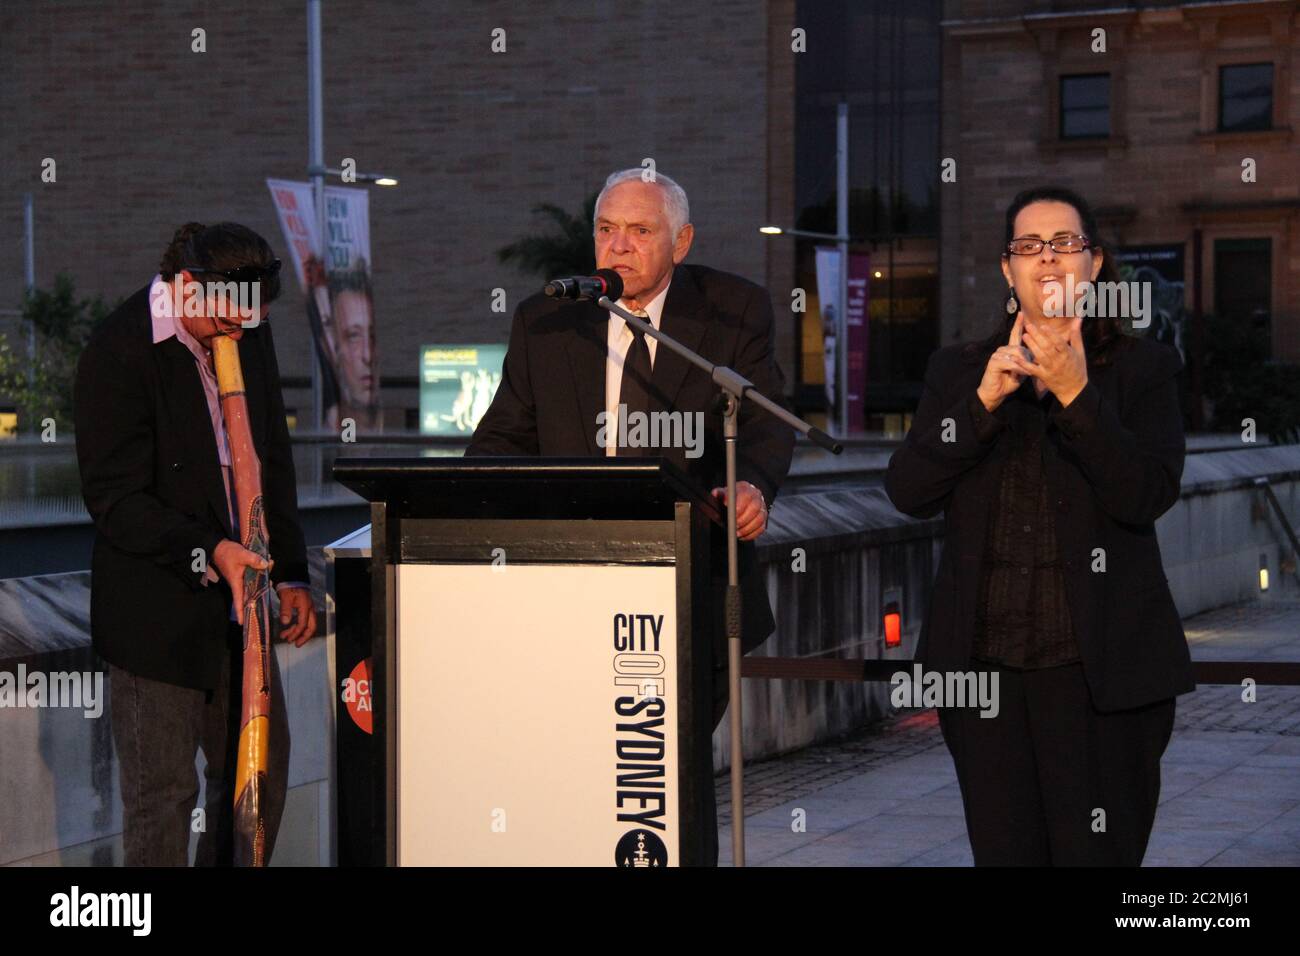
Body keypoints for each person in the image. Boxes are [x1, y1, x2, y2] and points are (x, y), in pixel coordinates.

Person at [467, 168, 796, 864]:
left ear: (681, 240)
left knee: (665, 773)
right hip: (571, 590)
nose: (618, 247)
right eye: (606, 229)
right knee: (578, 771)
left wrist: (753, 487)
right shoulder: (547, 319)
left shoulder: (731, 311)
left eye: (639, 232)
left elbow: (765, 425)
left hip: (691, 587)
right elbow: (500, 440)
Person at [885, 185, 1195, 866]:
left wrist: (1076, 394)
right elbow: (908, 490)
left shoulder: (1143, 369)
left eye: (1066, 245)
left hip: (1103, 682)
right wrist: (980, 407)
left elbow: (1145, 493)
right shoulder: (960, 370)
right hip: (983, 682)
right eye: (1029, 246)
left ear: (1094, 265)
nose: (1047, 260)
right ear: (1007, 269)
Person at [74, 221, 319, 866]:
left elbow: (272, 460)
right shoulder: (119, 350)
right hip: (158, 617)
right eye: (229, 320)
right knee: (164, 802)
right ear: (187, 286)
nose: (240, 333)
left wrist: (291, 572)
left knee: (256, 788)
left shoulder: (244, 326)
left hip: (247, 613)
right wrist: (209, 548)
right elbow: (115, 501)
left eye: (252, 320)